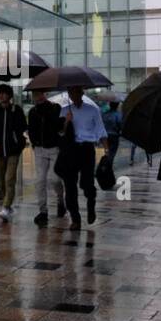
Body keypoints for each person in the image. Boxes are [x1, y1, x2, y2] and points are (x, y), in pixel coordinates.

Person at [58, 87, 108, 231]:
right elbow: (60, 132)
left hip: (87, 149)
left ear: (81, 93)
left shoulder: (93, 110)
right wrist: (66, 121)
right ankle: (75, 218)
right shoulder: (64, 110)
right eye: (71, 93)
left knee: (87, 183)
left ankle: (91, 203)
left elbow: (100, 130)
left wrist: (107, 149)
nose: (73, 95)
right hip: (70, 150)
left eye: (76, 92)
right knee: (70, 185)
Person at [0, 84, 27, 223]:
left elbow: (22, 128)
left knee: (10, 178)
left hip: (13, 151)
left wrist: (18, 143)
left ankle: (6, 206)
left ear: (9, 95)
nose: (1, 96)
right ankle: (7, 204)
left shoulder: (17, 110)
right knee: (2, 179)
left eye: (4, 93)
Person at [27, 90, 66, 226]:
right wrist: (34, 143)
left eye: (39, 94)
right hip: (39, 149)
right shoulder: (32, 112)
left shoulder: (55, 108)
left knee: (55, 179)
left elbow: (61, 127)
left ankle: (61, 201)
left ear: (45, 94)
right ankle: (43, 211)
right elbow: (31, 130)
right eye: (34, 94)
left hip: (54, 148)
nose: (37, 97)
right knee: (40, 181)